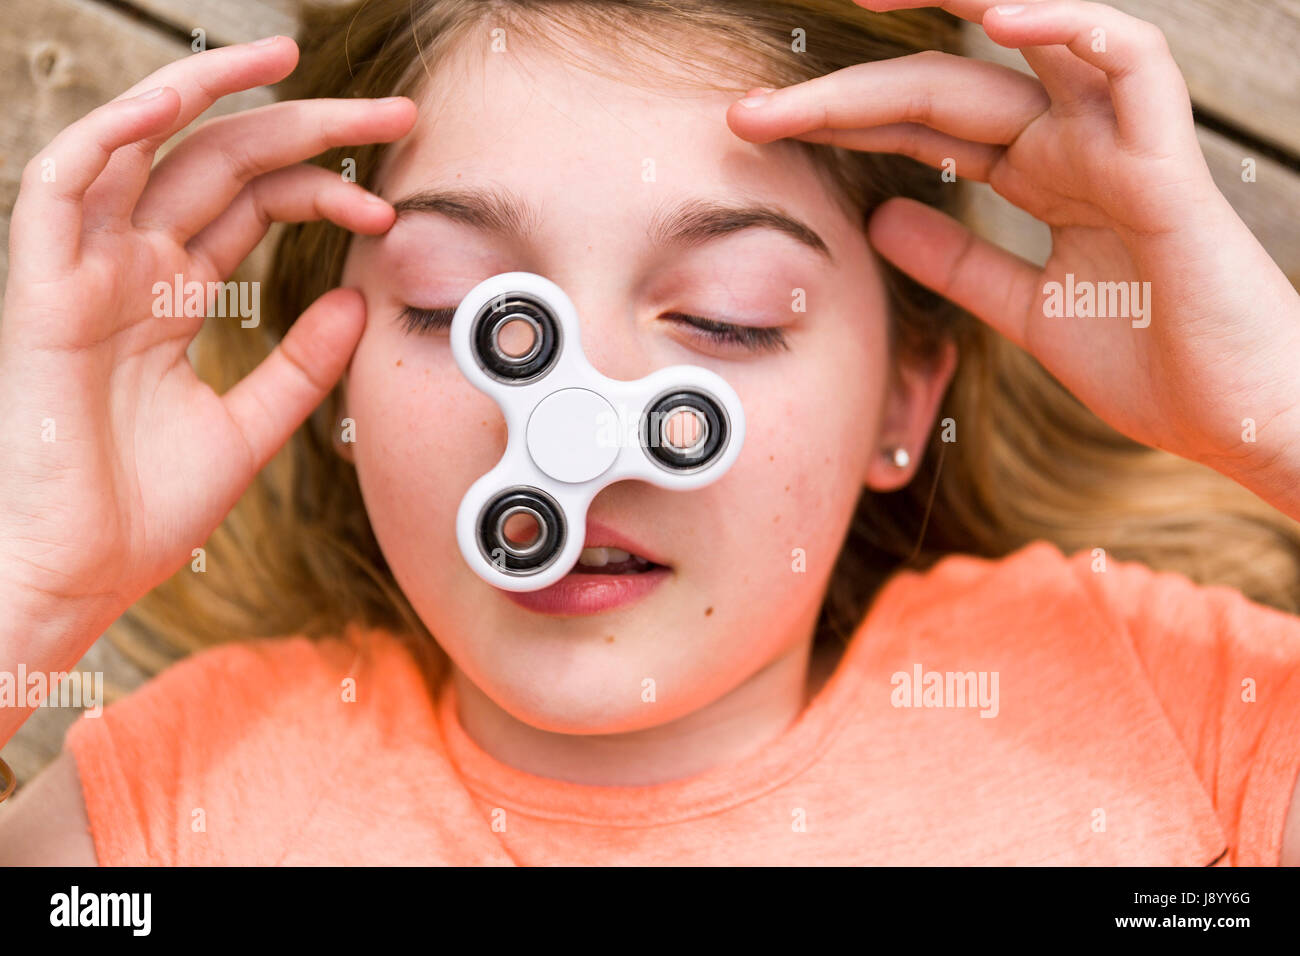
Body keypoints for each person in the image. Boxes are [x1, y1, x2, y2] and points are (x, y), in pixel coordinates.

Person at [1, 0, 1298, 865]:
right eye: (471, 316)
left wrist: (1272, 408)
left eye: (728, 323)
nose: (589, 432)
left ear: (907, 403)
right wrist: (28, 585)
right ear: (336, 384)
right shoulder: (172, 810)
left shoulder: (1163, 701)